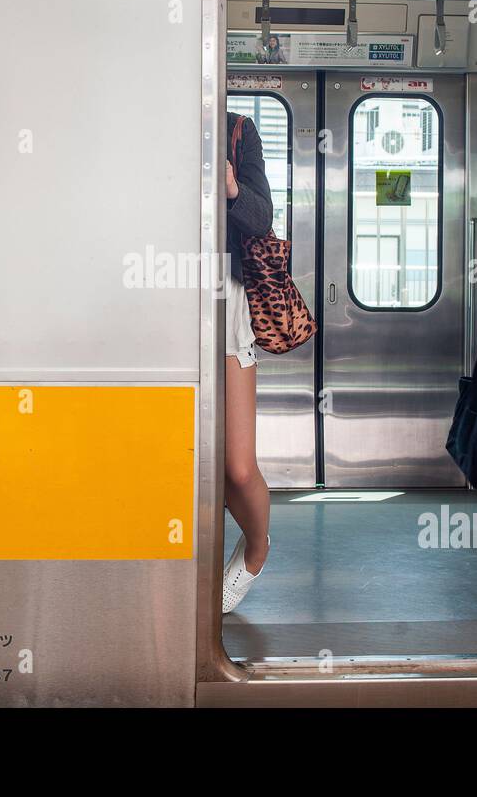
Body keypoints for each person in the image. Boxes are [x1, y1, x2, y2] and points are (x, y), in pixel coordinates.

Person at [221, 111, 275, 613]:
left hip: (223, 299)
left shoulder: (238, 129)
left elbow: (262, 219)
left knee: (236, 466)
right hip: (153, 297)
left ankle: (256, 550)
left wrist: (233, 190)